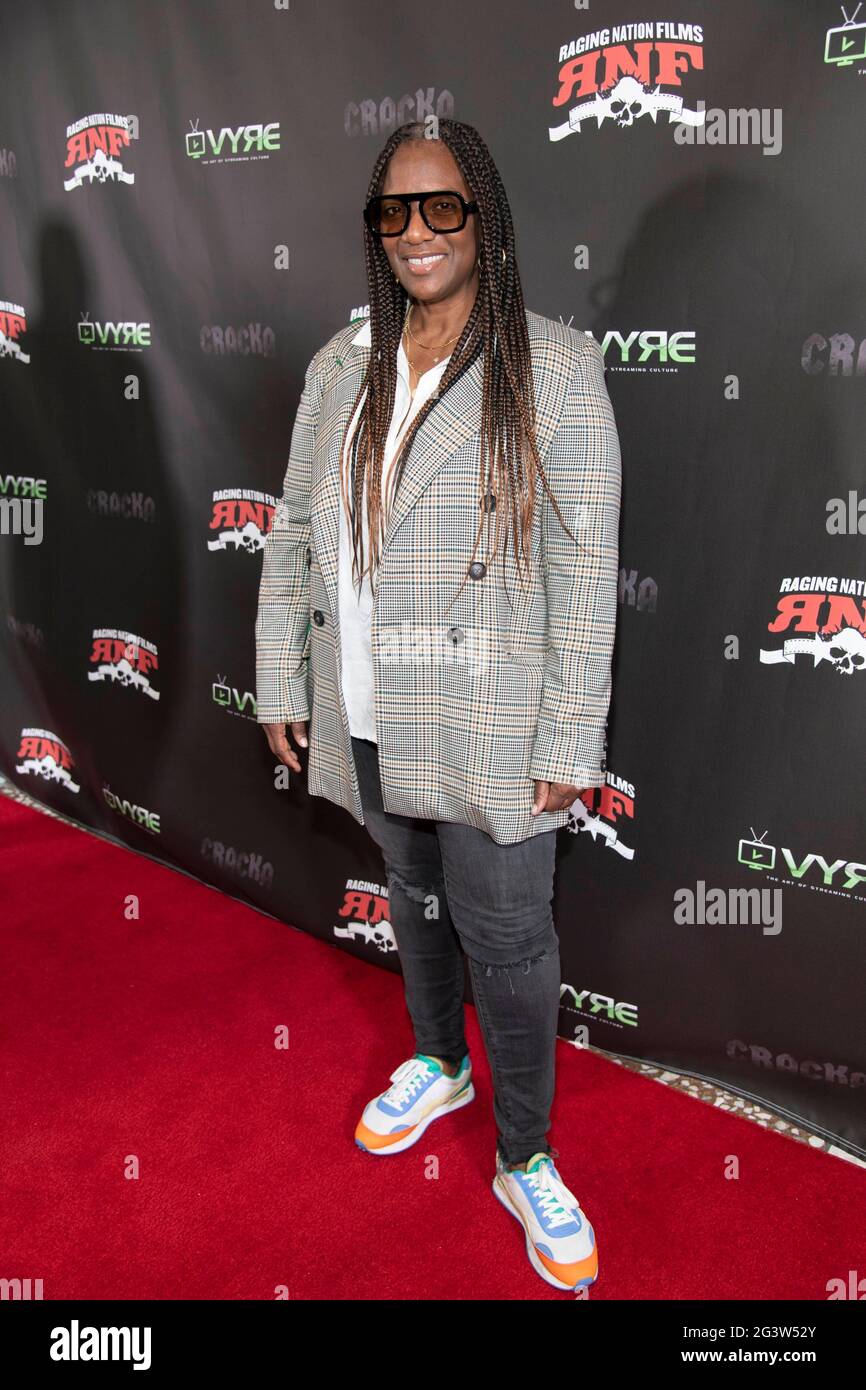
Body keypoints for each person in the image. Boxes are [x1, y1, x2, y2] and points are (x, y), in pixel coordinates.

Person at [255, 118, 622, 1293]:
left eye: (442, 207)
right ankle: (435, 1061)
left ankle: (525, 1152)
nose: (416, 232)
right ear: (374, 231)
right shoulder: (339, 363)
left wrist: (570, 733)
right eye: (393, 213)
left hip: (490, 718)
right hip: (364, 697)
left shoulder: (551, 364)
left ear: (484, 217)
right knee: (411, 900)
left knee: (509, 940)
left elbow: (582, 567)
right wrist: (281, 674)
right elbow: (296, 532)